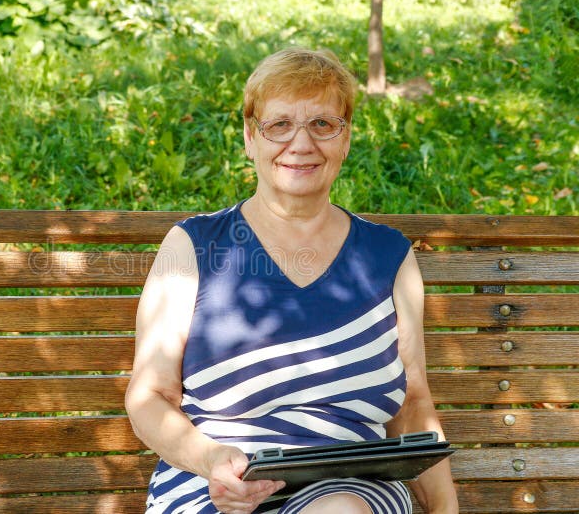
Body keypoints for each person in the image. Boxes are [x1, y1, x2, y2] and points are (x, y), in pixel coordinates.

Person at [125, 47, 459, 514]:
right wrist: (213, 460)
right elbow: (149, 397)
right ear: (249, 137)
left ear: (345, 139)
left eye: (323, 124)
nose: (301, 144)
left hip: (352, 486)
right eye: (279, 125)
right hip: (215, 485)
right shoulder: (194, 246)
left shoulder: (389, 256)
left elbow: (412, 405)